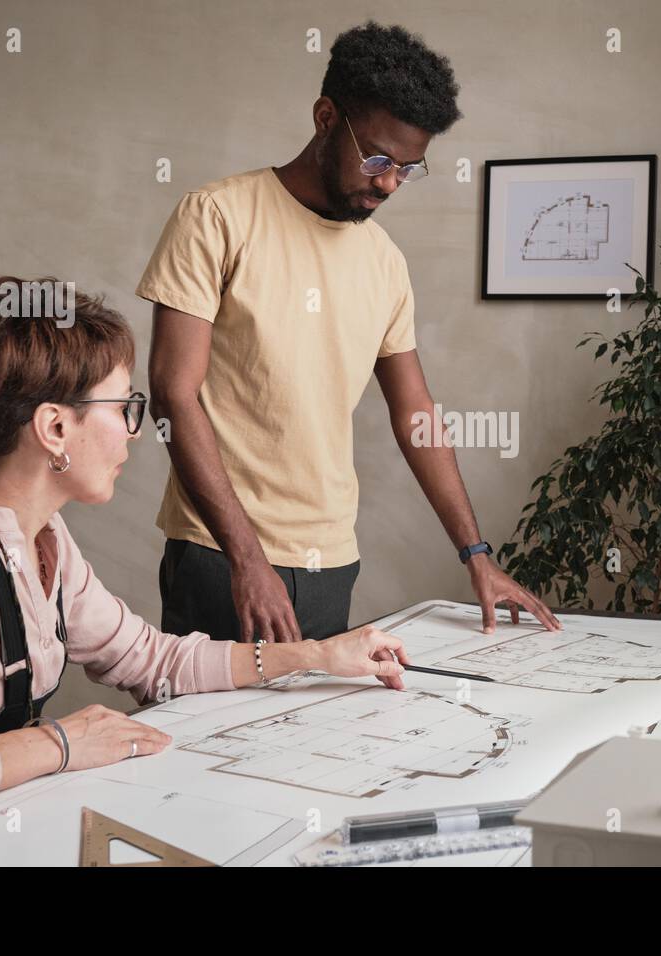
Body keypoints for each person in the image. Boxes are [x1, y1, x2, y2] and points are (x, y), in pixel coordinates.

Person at [0, 279, 408, 842]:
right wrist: (60, 744)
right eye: (123, 408)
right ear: (53, 426)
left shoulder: (43, 537)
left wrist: (318, 655)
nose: (133, 431)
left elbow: (152, 660)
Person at [137, 20, 562, 648]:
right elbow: (174, 393)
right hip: (220, 556)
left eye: (409, 169)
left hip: (330, 561)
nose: (389, 182)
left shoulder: (385, 261)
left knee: (316, 744)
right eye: (378, 159)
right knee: (221, 745)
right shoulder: (218, 216)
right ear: (326, 117)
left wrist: (476, 553)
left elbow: (415, 413)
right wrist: (247, 559)